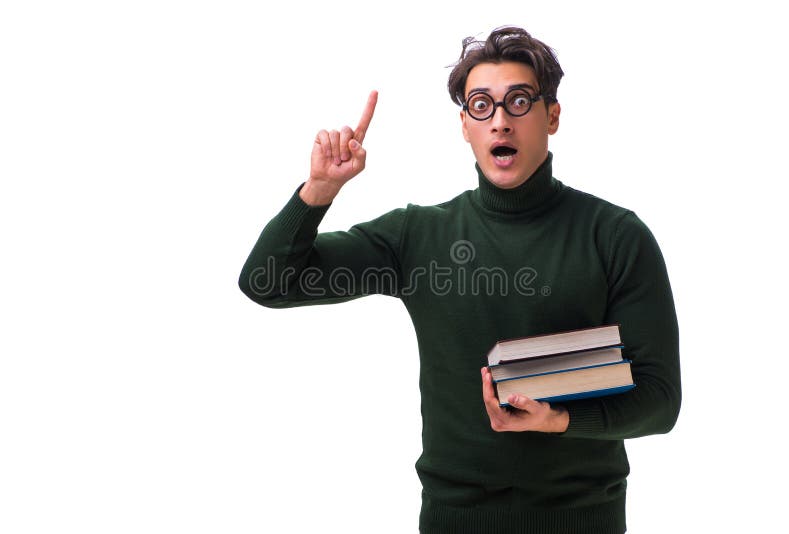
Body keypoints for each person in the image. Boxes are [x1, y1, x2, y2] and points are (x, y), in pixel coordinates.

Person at [239, 26, 680, 534]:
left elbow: (659, 401)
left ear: (552, 116)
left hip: (584, 520)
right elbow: (266, 283)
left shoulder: (616, 236)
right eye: (480, 105)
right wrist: (317, 191)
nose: (500, 122)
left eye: (519, 101)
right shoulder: (418, 235)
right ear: (464, 125)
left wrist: (558, 419)